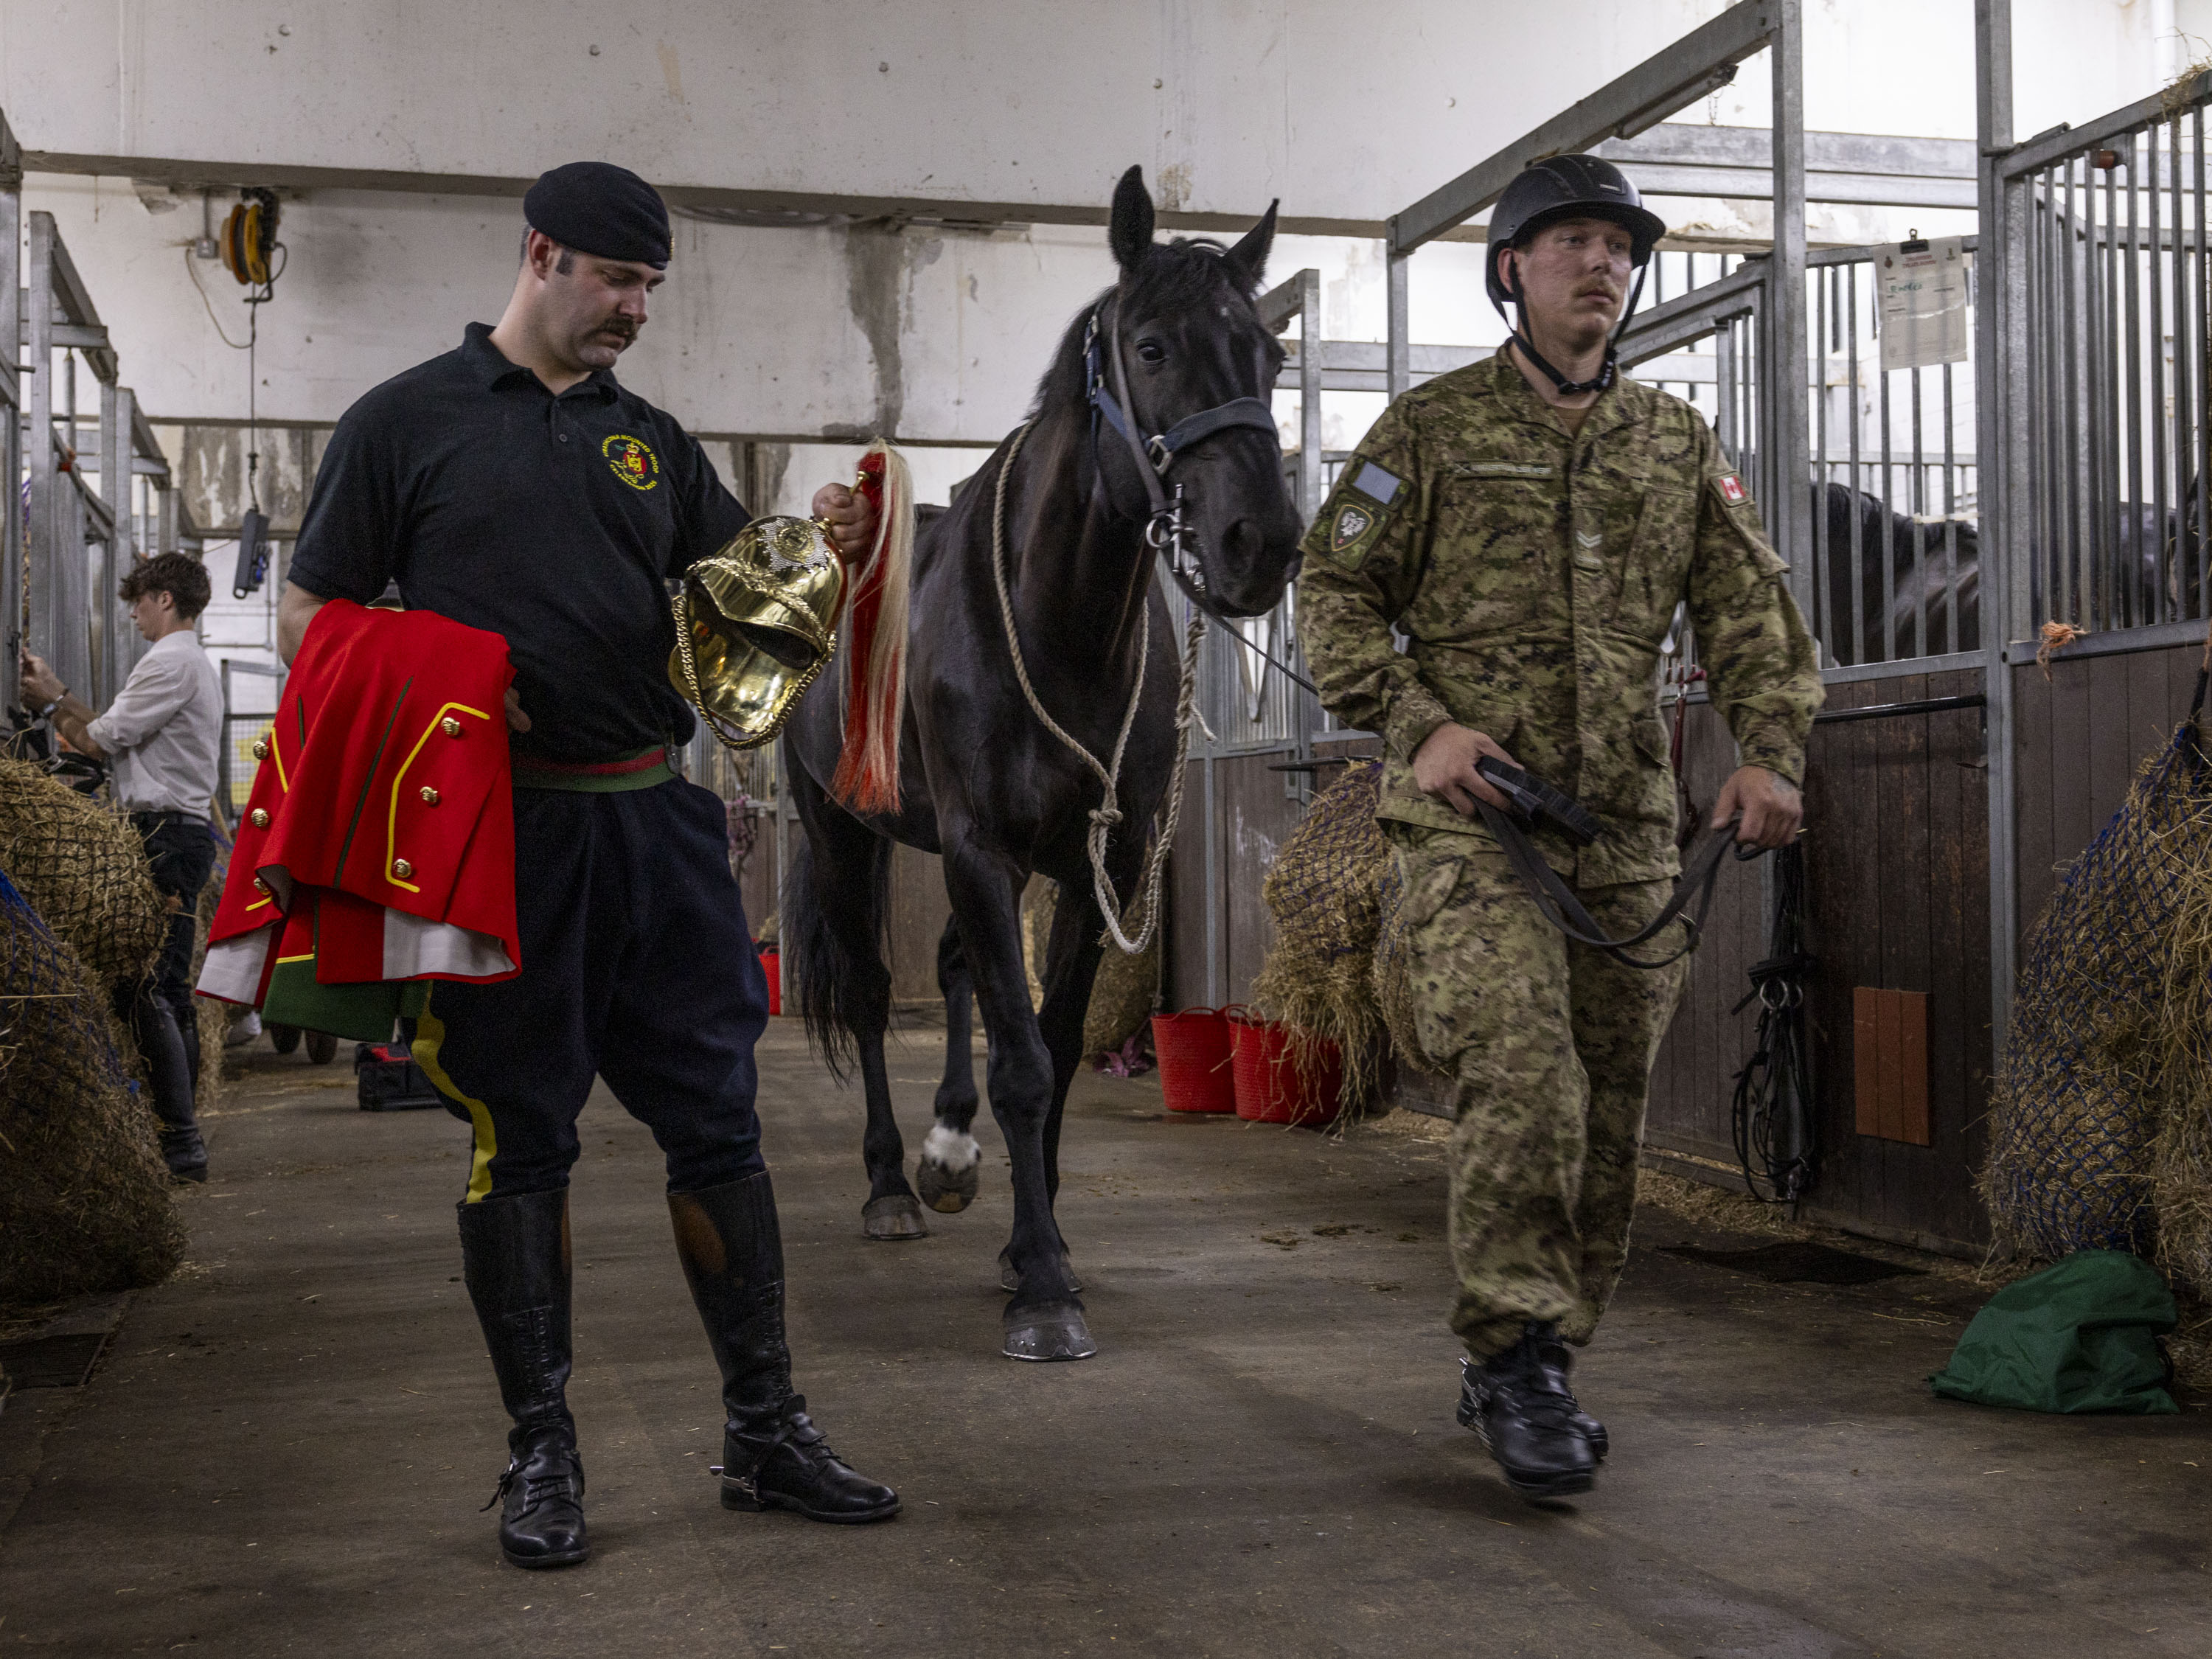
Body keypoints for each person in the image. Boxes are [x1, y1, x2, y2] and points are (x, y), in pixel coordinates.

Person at [276, 161, 897, 1570]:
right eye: (616, 282)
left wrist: (822, 544)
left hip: (657, 822)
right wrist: (435, 674)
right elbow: (313, 611)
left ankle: (764, 1431)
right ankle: (540, 1449)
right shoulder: (403, 423)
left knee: (720, 1125)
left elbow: (737, 607)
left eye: (650, 291)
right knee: (525, 1137)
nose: (634, 311)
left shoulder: (654, 442)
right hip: (505, 843)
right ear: (541, 255)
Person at [1296, 156, 1823, 1501]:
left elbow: (1751, 614)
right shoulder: (1423, 431)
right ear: (1511, 270)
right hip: (1472, 825)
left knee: (1605, 1105)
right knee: (1523, 1068)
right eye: (1574, 241)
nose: (1604, 264)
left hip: (1631, 839)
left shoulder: (1674, 442)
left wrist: (1769, 751)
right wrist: (1422, 726)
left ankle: (1539, 1355)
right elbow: (1333, 592)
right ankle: (1518, 1347)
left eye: (1622, 248)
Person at [21, 552, 223, 1182]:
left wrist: (52, 703)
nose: (133, 614)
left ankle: (181, 1145)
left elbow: (98, 742)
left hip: (162, 832)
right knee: (167, 989)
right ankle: (184, 1137)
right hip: (179, 832)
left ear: (164, 599)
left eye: (138, 601)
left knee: (144, 988)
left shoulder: (169, 661)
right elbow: (110, 729)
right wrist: (58, 695)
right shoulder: (190, 662)